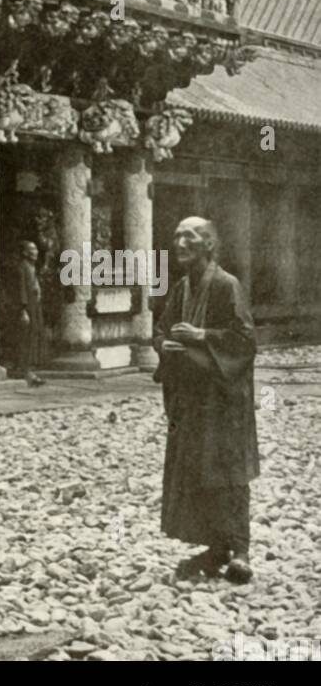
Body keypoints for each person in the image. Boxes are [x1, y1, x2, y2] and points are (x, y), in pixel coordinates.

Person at [153, 217, 259, 583]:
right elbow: (162, 329)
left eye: (190, 236)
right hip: (191, 398)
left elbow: (245, 341)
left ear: (209, 244)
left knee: (229, 471)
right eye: (177, 235)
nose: (180, 241)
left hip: (223, 399)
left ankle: (241, 549)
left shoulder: (228, 285)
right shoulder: (181, 289)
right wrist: (163, 345)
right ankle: (215, 547)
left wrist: (201, 334)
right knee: (197, 470)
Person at [17, 240, 47, 386]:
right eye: (32, 249)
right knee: (27, 338)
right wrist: (23, 310)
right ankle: (26, 372)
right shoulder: (22, 267)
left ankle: (31, 371)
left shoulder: (31, 267)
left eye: (35, 249)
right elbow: (22, 289)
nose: (35, 252)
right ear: (24, 252)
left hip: (35, 306)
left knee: (34, 336)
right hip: (28, 307)